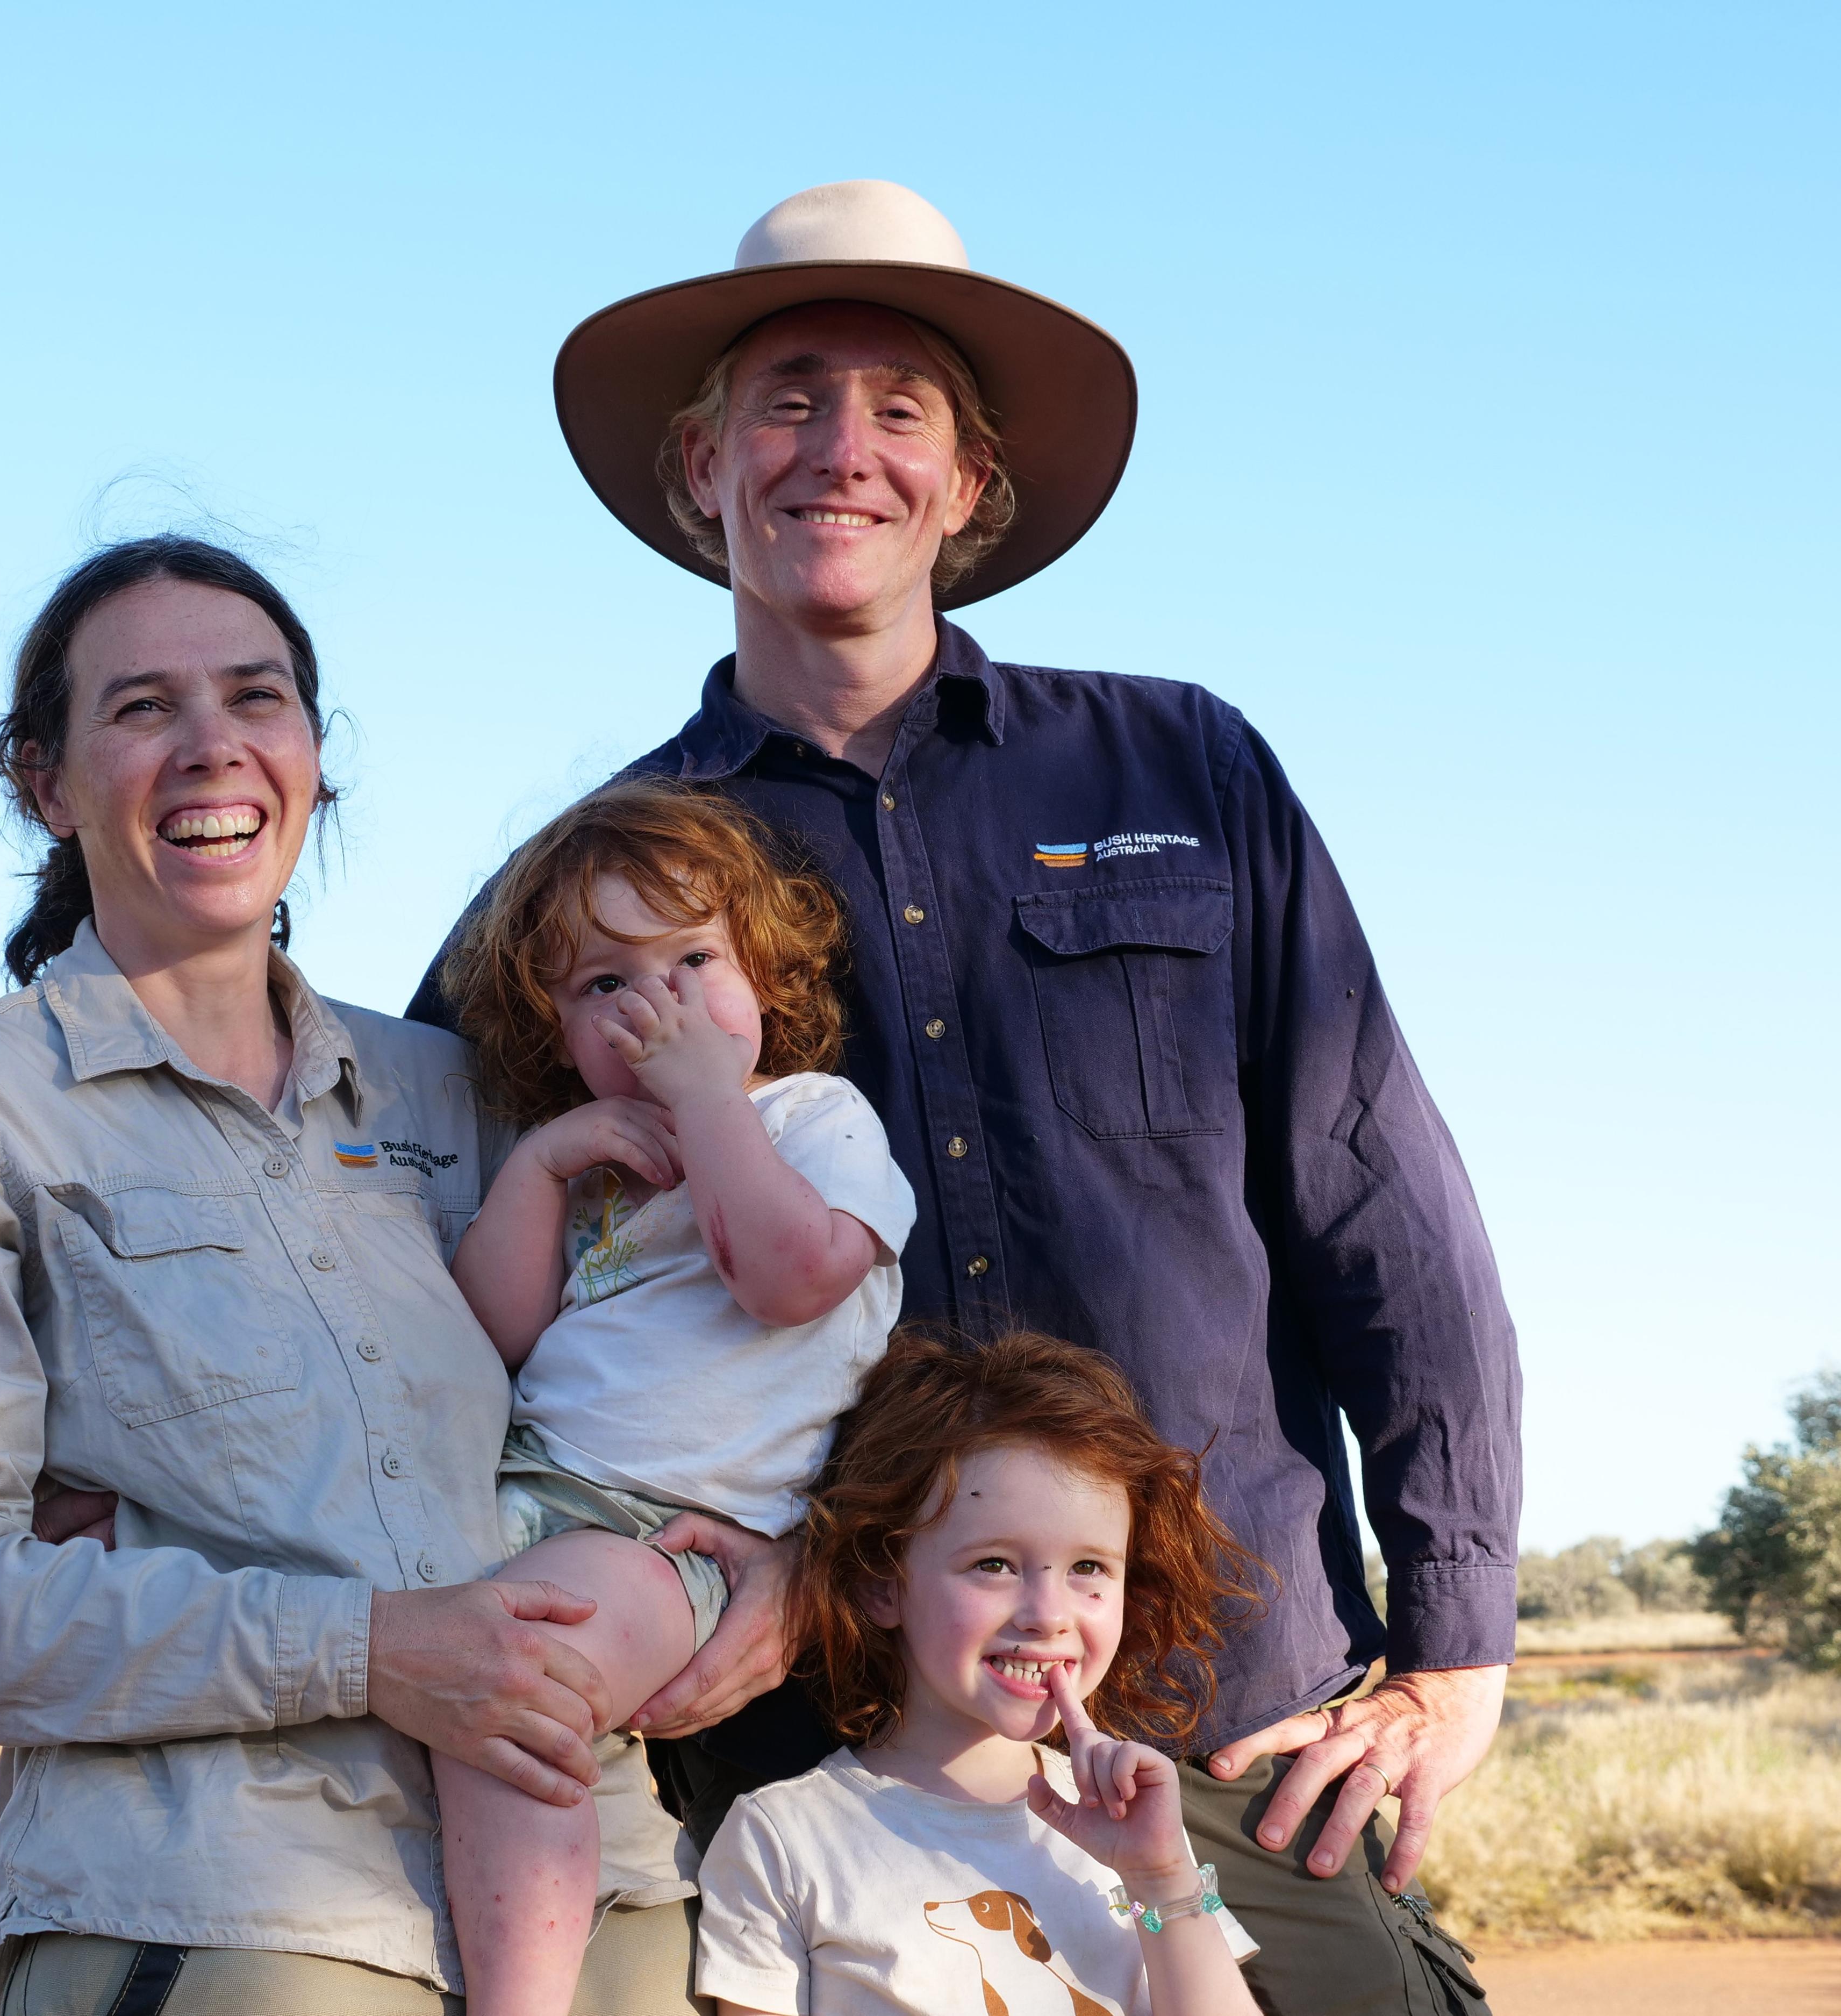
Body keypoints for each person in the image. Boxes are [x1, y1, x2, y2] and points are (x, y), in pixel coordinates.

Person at [409, 180, 1516, 2013]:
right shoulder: (601, 891)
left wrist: (1455, 1641)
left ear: (969, 480)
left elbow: (1374, 1191)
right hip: (796, 1731)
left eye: (899, 408)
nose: (838, 450)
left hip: (1220, 1705)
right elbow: (389, 1214)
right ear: (699, 470)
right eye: (784, 399)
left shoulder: (1188, 764)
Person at [0, 536, 751, 2015]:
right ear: (44, 781)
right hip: (220, 1914)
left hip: (613, 1901)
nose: (213, 746)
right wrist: (375, 1646)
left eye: (257, 695)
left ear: (314, 754)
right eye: (141, 707)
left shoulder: (466, 1094)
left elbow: (685, 1382)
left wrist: (768, 1585)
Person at [433, 777, 917, 2016]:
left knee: (519, 1695)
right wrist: (542, 1167)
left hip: (664, 1532)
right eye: (604, 982)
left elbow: (790, 1276)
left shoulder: (812, 1119)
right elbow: (488, 1332)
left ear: (760, 975)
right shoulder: (589, 1161)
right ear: (553, 1022)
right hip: (511, 1488)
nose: (653, 1003)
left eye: (691, 960)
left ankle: (521, 1998)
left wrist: (709, 1107)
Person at [696, 1329, 1262, 2016]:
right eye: (993, 1564)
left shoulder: (1136, 1832)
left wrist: (1161, 1879)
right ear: (883, 1585)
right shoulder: (782, 1841)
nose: (1049, 1615)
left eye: (1088, 1568)